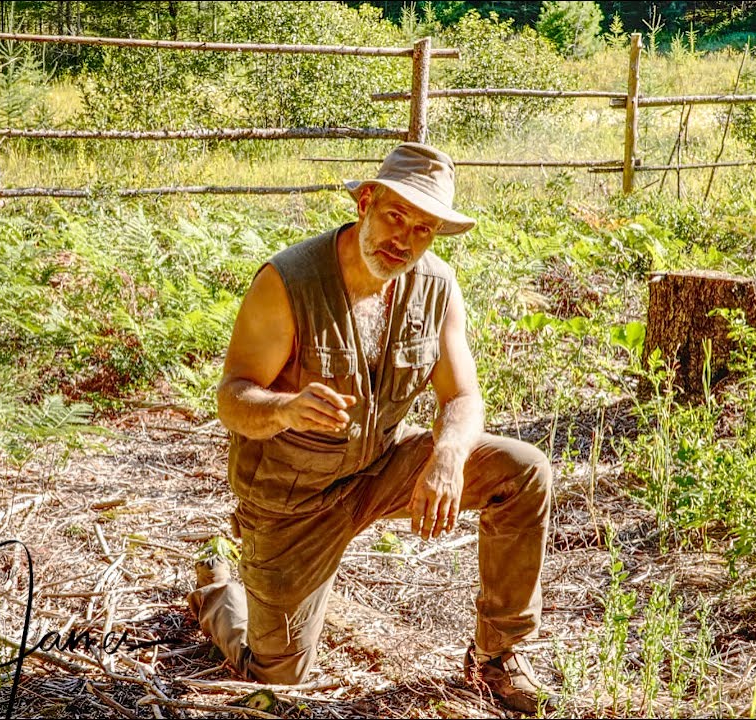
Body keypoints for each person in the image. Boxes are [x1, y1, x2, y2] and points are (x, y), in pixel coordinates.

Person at [189, 143, 554, 714]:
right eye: (394, 216)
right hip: (291, 501)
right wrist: (283, 409)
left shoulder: (436, 287)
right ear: (366, 201)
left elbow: (461, 396)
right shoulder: (288, 282)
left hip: (378, 470)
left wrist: (449, 456)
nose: (403, 240)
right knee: (278, 680)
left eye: (423, 229)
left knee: (523, 470)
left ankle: (498, 655)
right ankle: (217, 588)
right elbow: (233, 399)